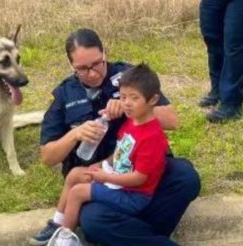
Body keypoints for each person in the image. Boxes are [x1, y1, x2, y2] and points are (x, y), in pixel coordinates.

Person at [31, 29, 221, 246]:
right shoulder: (64, 95)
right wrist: (74, 134)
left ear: (104, 53)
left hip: (141, 172)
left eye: (97, 63)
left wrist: (130, 107)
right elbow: (47, 157)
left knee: (185, 177)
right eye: (83, 69)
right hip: (100, 179)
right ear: (71, 65)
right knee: (94, 221)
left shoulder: (128, 79)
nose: (94, 73)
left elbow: (172, 120)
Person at [54, 64, 173, 233]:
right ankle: (56, 224)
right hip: (117, 178)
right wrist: (102, 166)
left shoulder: (152, 137)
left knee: (78, 192)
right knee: (74, 174)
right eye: (123, 97)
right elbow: (120, 152)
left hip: (133, 196)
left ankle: (64, 241)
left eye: (134, 98)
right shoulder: (132, 122)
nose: (127, 103)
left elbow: (139, 178)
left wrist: (105, 177)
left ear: (153, 100)